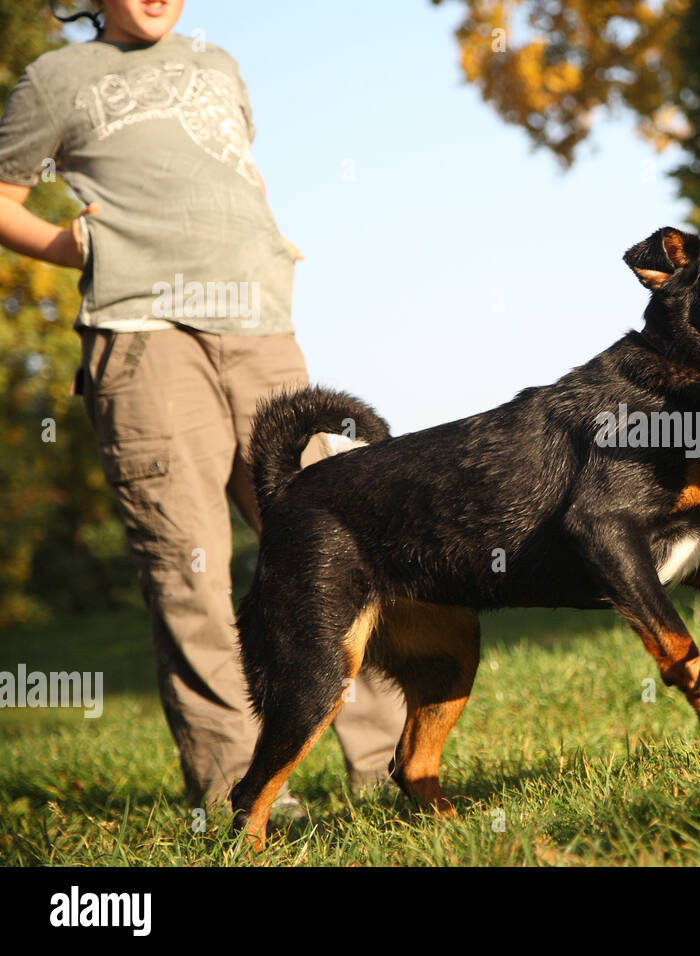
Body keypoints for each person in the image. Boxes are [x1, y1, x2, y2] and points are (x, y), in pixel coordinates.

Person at [0, 0, 405, 816]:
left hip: (259, 332)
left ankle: (392, 770)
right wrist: (72, 247)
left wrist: (268, 235)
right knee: (187, 567)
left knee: (338, 549)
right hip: (145, 340)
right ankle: (236, 793)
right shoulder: (56, 78)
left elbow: (233, 168)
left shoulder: (217, 63)